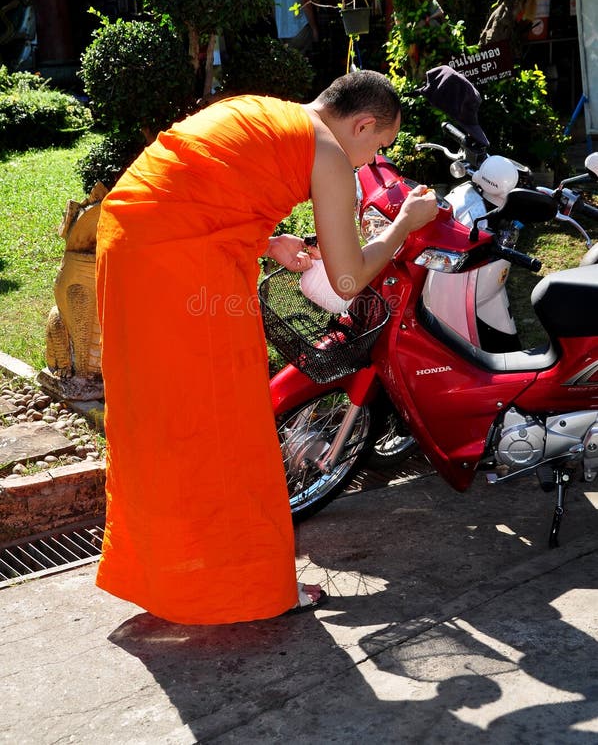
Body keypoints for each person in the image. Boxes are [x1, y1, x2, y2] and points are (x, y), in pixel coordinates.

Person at [95, 69, 438, 626]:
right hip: (176, 266)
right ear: (363, 123)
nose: (368, 162)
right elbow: (348, 282)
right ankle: (243, 584)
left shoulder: (270, 110)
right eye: (376, 147)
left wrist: (267, 240)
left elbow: (199, 187)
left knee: (159, 415)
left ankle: (163, 571)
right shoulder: (327, 152)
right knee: (224, 422)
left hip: (130, 241)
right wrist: (403, 223)